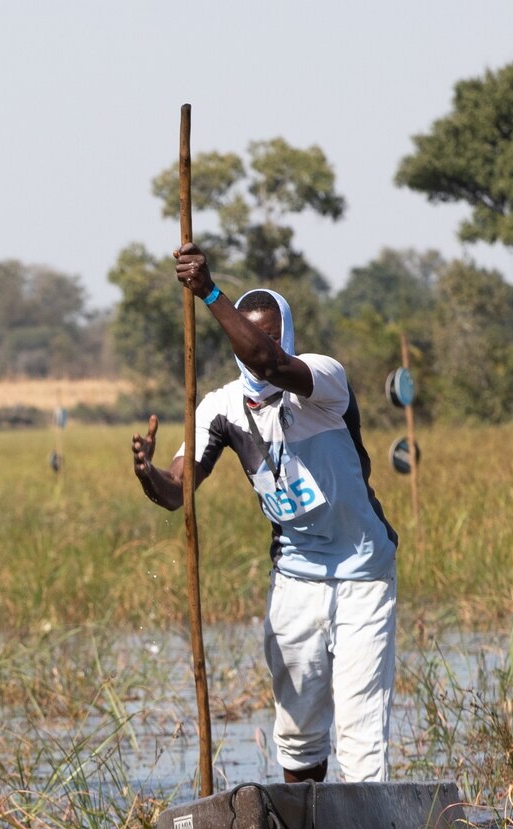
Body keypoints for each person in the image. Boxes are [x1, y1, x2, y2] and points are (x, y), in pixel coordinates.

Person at [128, 256, 399, 784]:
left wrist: (209, 293)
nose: (258, 356)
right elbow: (177, 491)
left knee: (361, 739)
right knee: (297, 735)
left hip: (362, 573)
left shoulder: (322, 380)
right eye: (249, 344)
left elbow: (270, 363)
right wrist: (146, 474)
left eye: (272, 340)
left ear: (288, 339)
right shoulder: (222, 409)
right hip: (295, 579)